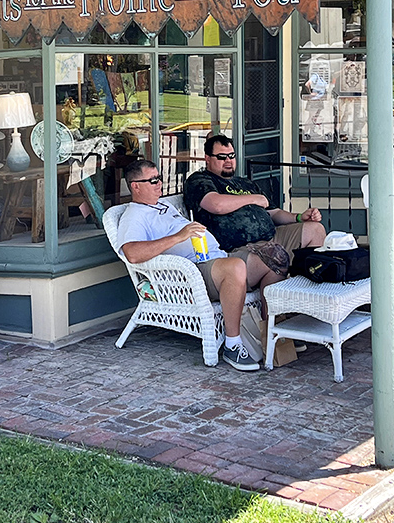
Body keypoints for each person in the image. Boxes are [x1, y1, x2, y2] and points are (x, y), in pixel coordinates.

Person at [116, 159, 279, 372]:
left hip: (216, 259)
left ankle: (270, 334)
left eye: (160, 178)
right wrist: (178, 237)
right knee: (235, 267)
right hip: (191, 275)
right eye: (153, 180)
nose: (159, 184)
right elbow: (133, 253)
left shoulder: (162, 205)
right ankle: (232, 345)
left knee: (275, 259)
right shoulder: (135, 216)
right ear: (135, 186)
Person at [184, 135, 326, 292]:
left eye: (231, 156)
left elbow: (274, 212)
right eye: (221, 157)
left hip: (271, 238)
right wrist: (253, 199)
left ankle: (308, 294)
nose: (228, 160)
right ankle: (272, 316)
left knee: (315, 229)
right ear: (207, 159)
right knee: (274, 256)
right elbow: (216, 205)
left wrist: (298, 217)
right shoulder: (199, 180)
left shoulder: (245, 183)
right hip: (239, 249)